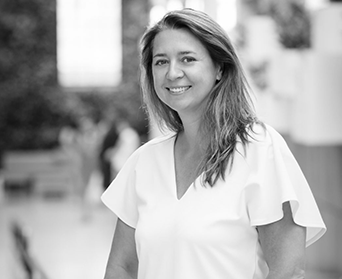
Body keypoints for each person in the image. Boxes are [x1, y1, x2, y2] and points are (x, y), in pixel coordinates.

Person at [101, 8, 326, 279]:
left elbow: (288, 271)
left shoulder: (258, 149)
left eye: (187, 59)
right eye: (161, 62)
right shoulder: (144, 162)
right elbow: (121, 267)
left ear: (219, 67)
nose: (172, 73)